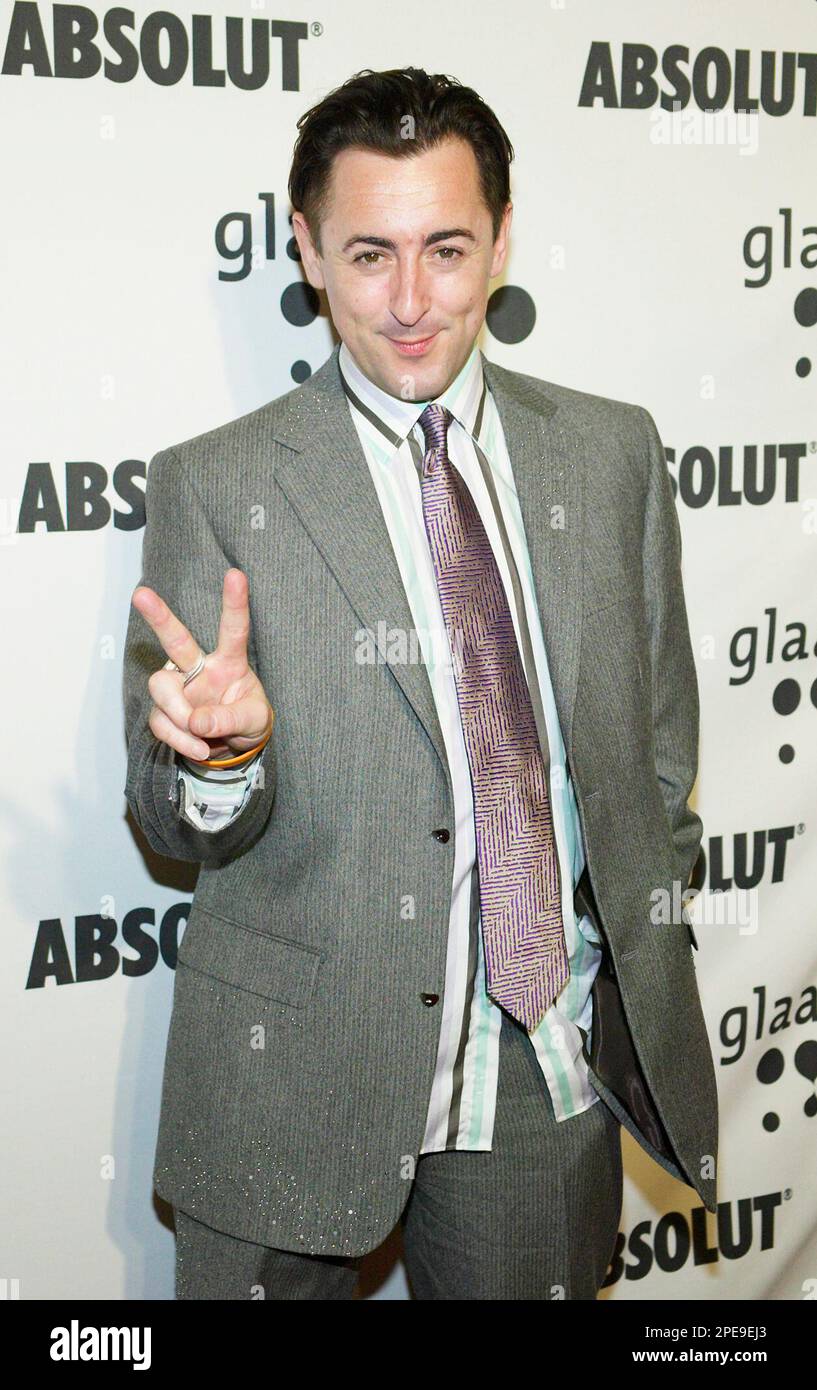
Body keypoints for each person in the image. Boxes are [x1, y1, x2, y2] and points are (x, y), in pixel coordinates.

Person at [122, 66, 718, 1301]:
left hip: (535, 1077)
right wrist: (219, 761)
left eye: (445, 250)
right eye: (367, 254)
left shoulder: (612, 456)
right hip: (294, 1071)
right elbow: (166, 820)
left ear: (502, 238)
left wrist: (613, 955)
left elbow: (656, 756)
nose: (407, 303)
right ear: (306, 247)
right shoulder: (215, 483)